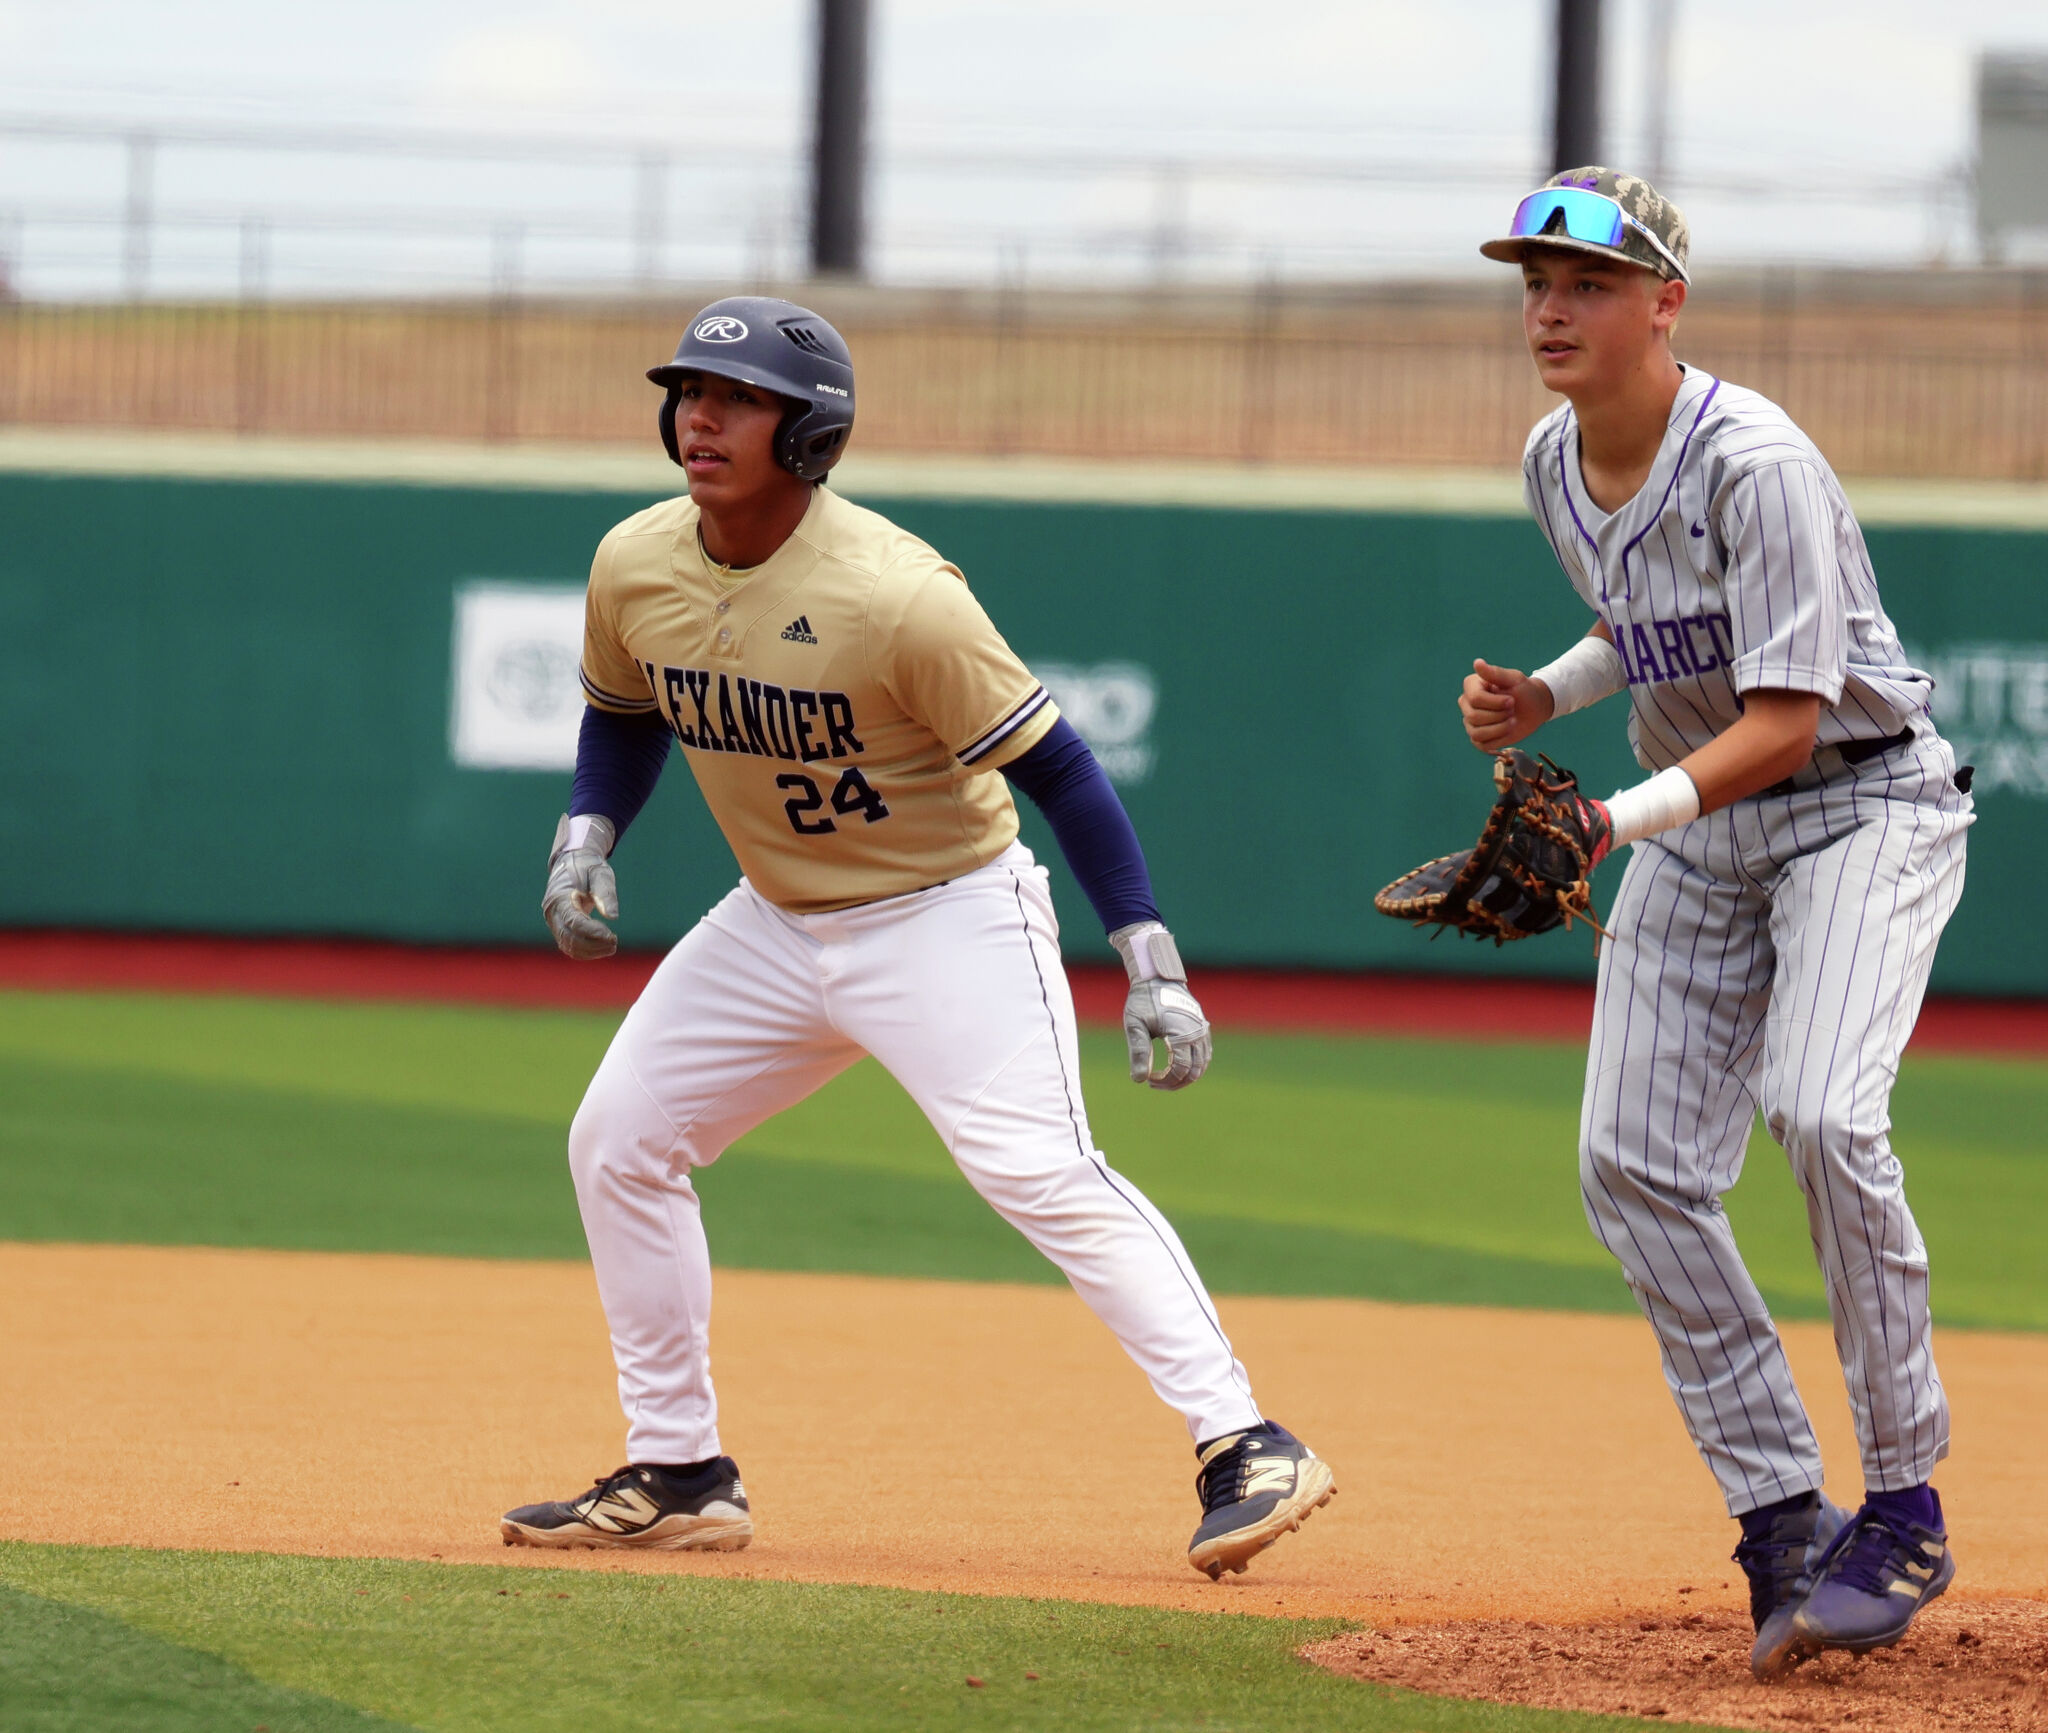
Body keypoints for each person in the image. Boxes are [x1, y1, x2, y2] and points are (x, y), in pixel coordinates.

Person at [498, 296, 1334, 1580]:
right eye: (688, 391)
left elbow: (1063, 773)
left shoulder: (896, 595)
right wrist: (585, 834)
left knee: (1037, 1167)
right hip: (775, 921)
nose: (700, 416)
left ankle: (1246, 1439)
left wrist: (1147, 954)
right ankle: (678, 1468)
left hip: (947, 914)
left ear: (811, 432)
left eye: (738, 398)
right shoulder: (635, 562)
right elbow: (623, 712)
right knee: (618, 1139)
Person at [1461, 171, 1972, 1680]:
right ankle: (1781, 1518)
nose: (1551, 308)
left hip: (1862, 805)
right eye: (1536, 282)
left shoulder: (1761, 462)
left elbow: (1788, 711)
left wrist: (1610, 821)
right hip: (1704, 822)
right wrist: (1547, 697)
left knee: (1823, 1114)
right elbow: (1650, 620)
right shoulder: (1558, 459)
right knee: (1630, 1161)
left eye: (1590, 284)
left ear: (1665, 301)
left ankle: (1910, 1499)